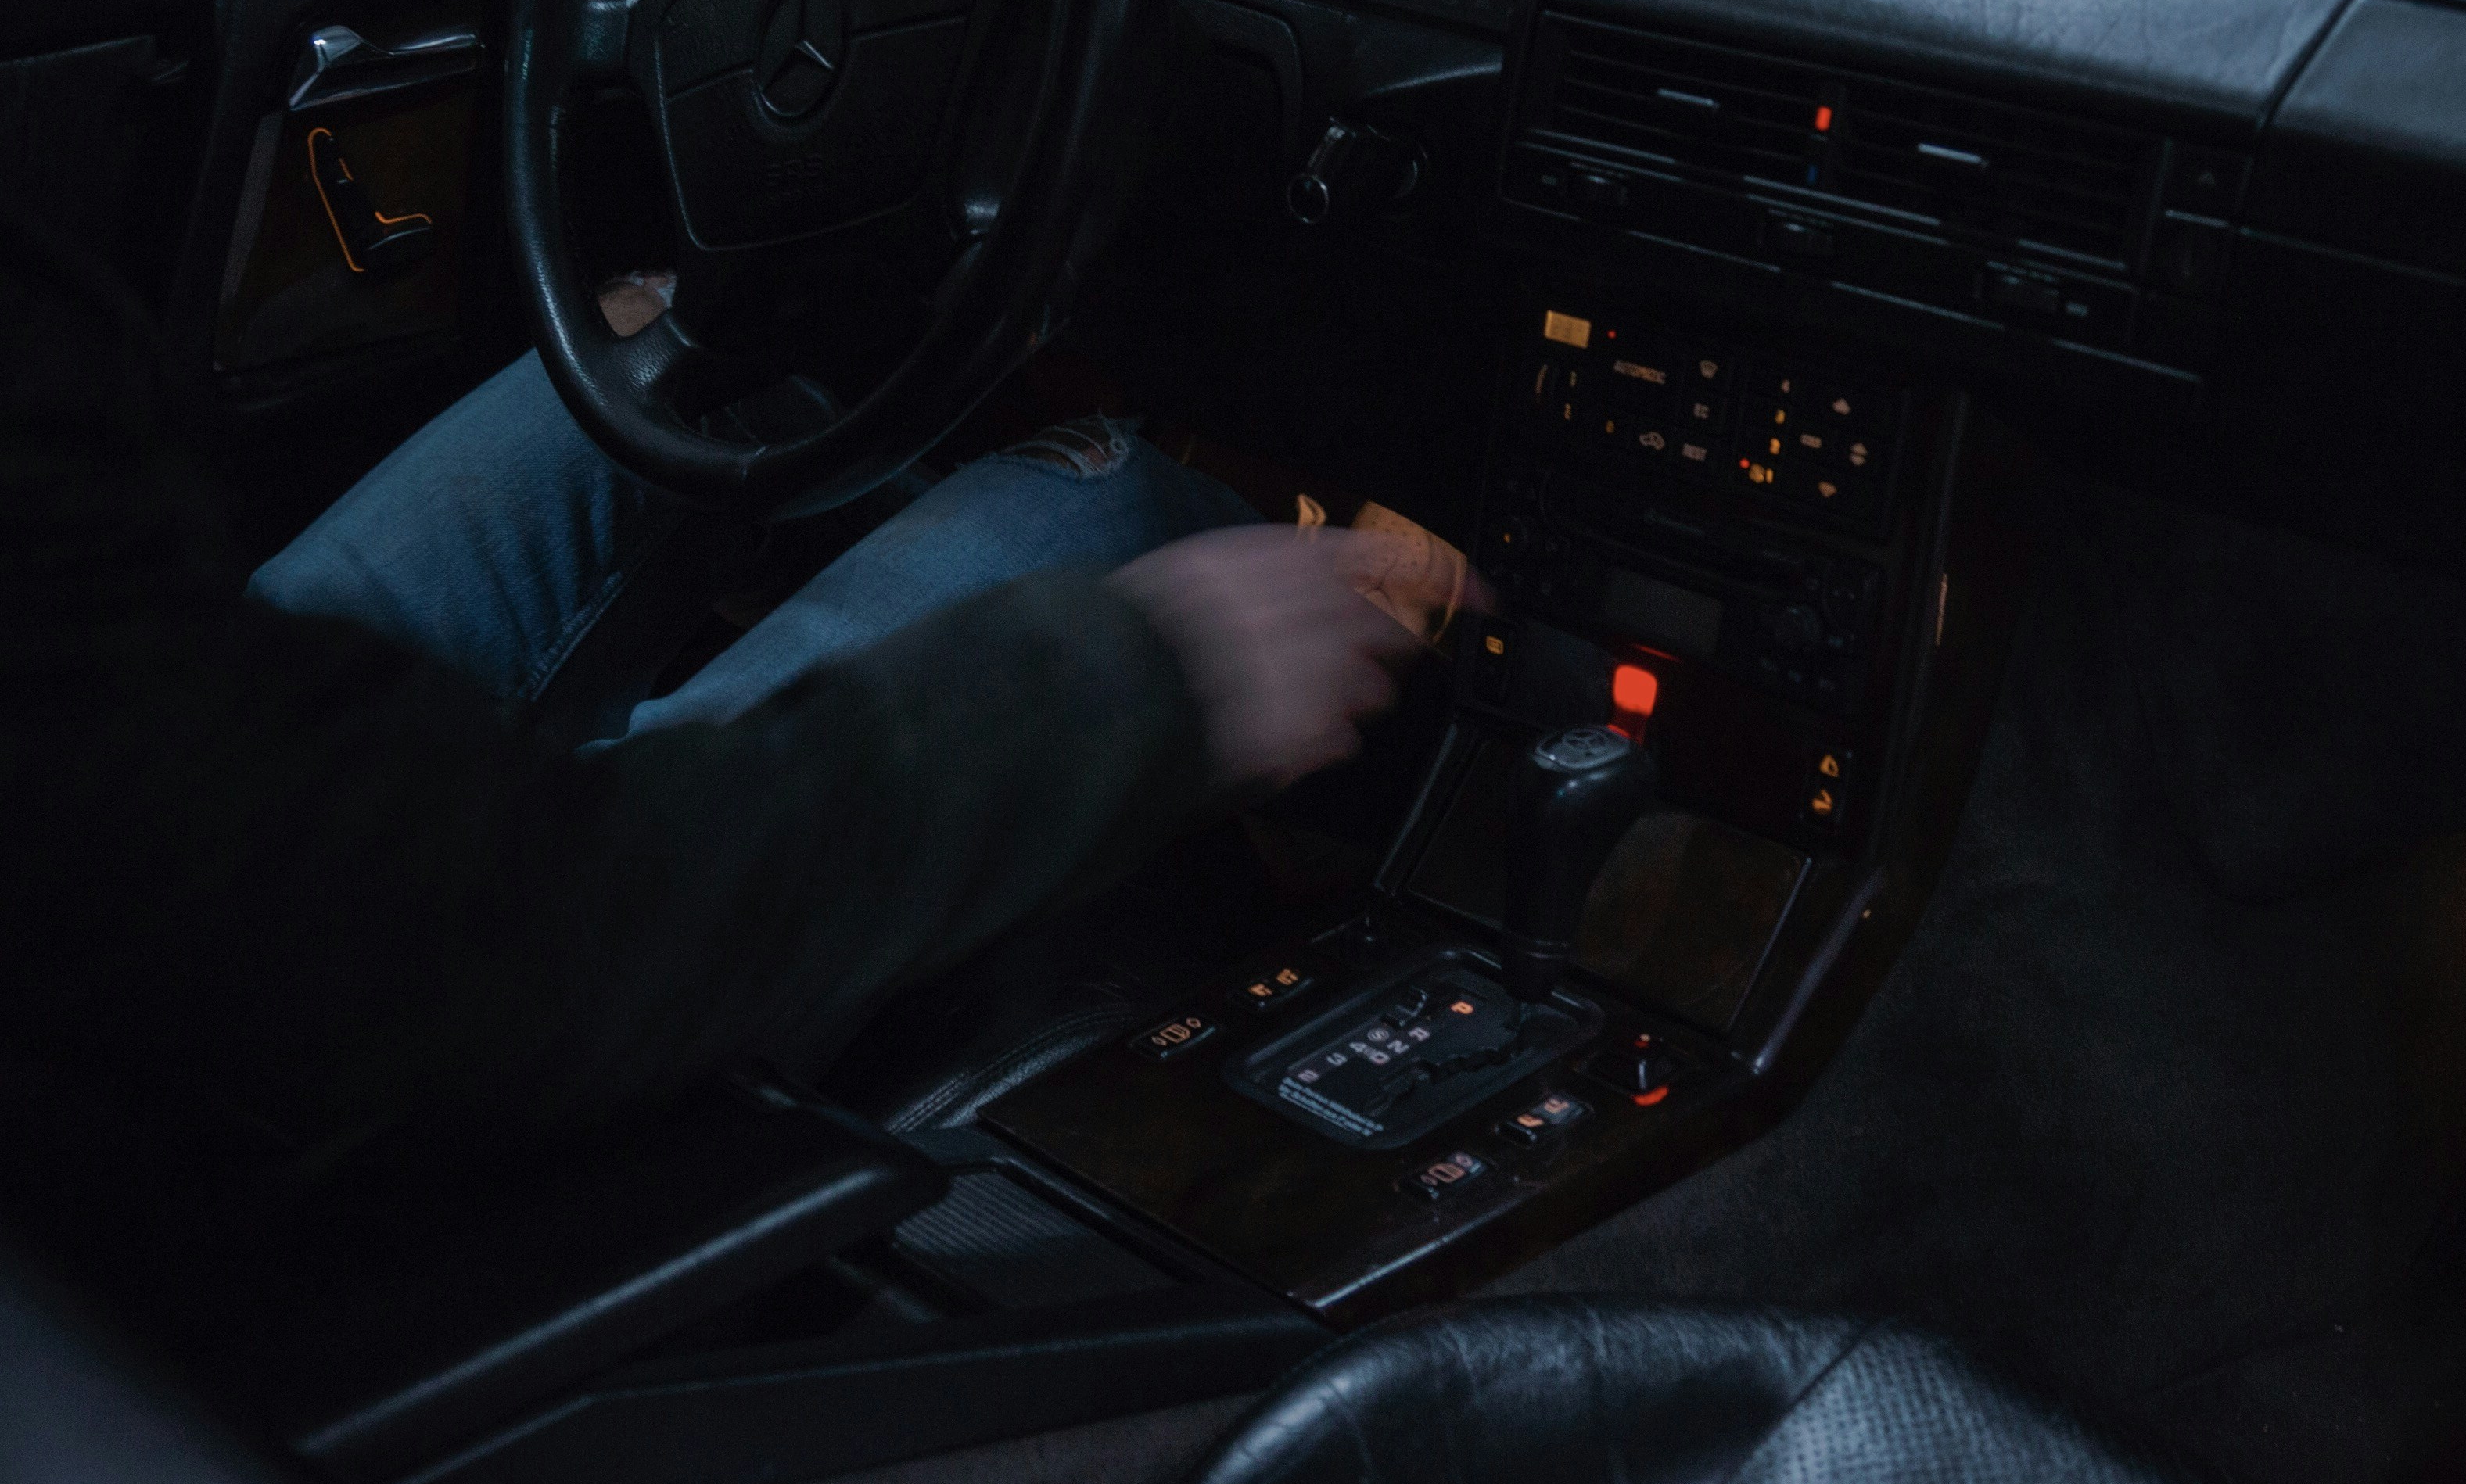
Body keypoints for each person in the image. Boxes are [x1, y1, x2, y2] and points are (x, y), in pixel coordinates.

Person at [0, 193, 1426, 1170]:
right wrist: (1131, 687)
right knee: (1098, 501)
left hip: (147, 833)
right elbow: (464, 939)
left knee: (681, 364)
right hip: (209, 1162)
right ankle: (1375, 759)